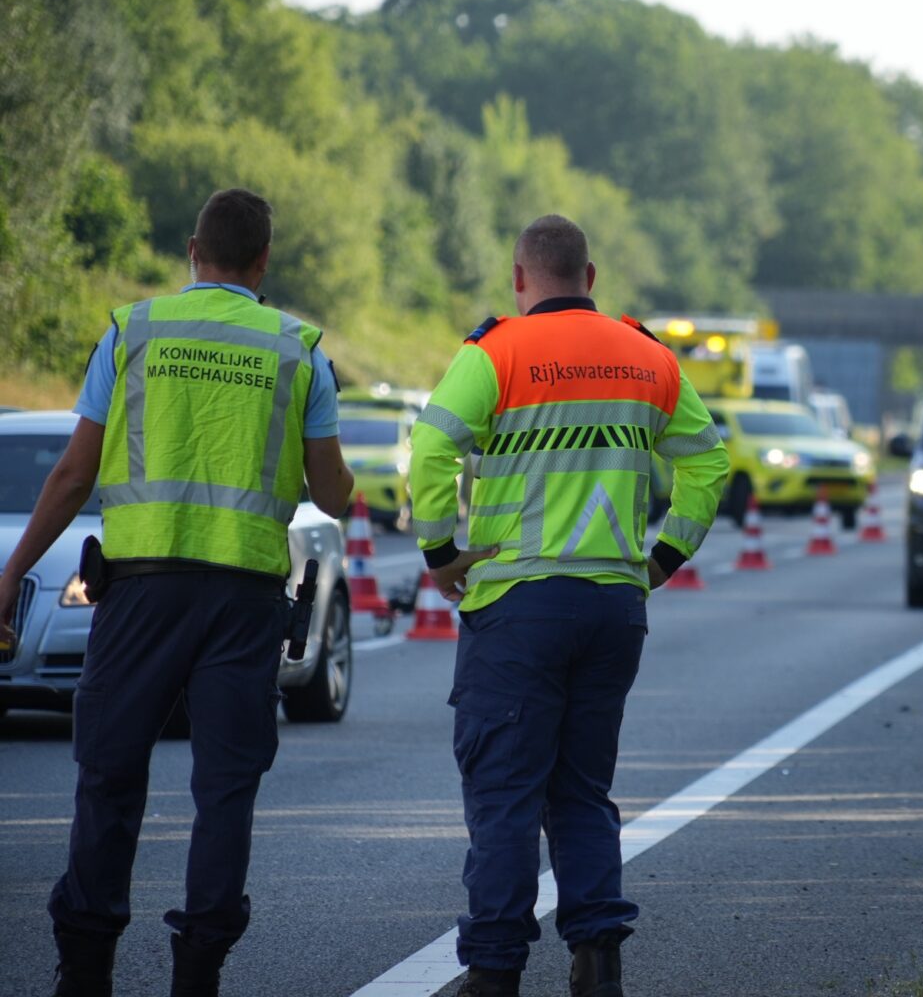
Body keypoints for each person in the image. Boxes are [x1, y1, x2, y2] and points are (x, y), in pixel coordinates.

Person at [0, 188, 354, 997]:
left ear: (193, 250)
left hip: (140, 595)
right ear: (264, 262)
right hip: (244, 603)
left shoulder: (134, 330)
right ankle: (199, 969)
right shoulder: (300, 350)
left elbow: (73, 473)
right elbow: (332, 496)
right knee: (226, 789)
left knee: (108, 776)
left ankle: (85, 969)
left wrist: (14, 569)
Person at [410, 214, 729, 997]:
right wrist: (660, 560)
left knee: (505, 793)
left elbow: (429, 449)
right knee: (582, 791)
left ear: (520, 279)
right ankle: (597, 962)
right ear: (591, 279)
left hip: (518, 604)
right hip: (614, 607)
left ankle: (494, 971)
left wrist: (439, 555)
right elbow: (709, 462)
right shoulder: (648, 358)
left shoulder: (495, 353)